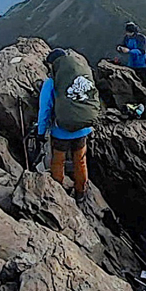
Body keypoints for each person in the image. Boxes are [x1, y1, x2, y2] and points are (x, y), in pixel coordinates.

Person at [37, 48, 101, 201]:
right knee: (80, 160)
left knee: (58, 161)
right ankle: (80, 192)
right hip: (83, 129)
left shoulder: (52, 82)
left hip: (61, 131)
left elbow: (45, 108)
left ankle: (58, 192)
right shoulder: (81, 74)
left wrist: (40, 132)